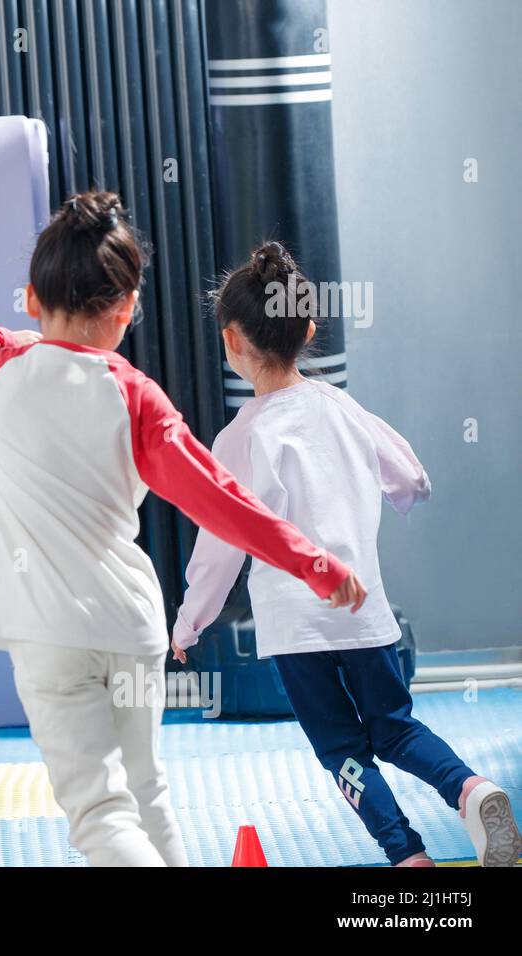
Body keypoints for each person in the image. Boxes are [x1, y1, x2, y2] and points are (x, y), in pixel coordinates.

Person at [0, 191, 367, 866]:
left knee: (100, 814)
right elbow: (222, 501)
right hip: (130, 624)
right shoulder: (133, 393)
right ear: (126, 311)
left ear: (32, 297)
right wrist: (314, 563)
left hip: (49, 630)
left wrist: (25, 337)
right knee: (146, 795)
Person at [172, 241, 522, 868]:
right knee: (395, 728)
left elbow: (218, 545)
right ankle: (471, 788)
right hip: (364, 611)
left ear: (231, 341)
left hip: (293, 625)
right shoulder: (344, 408)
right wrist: (383, 495)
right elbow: (413, 478)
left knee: (342, 748)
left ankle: (408, 859)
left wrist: (190, 620)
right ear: (308, 330)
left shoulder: (239, 438)